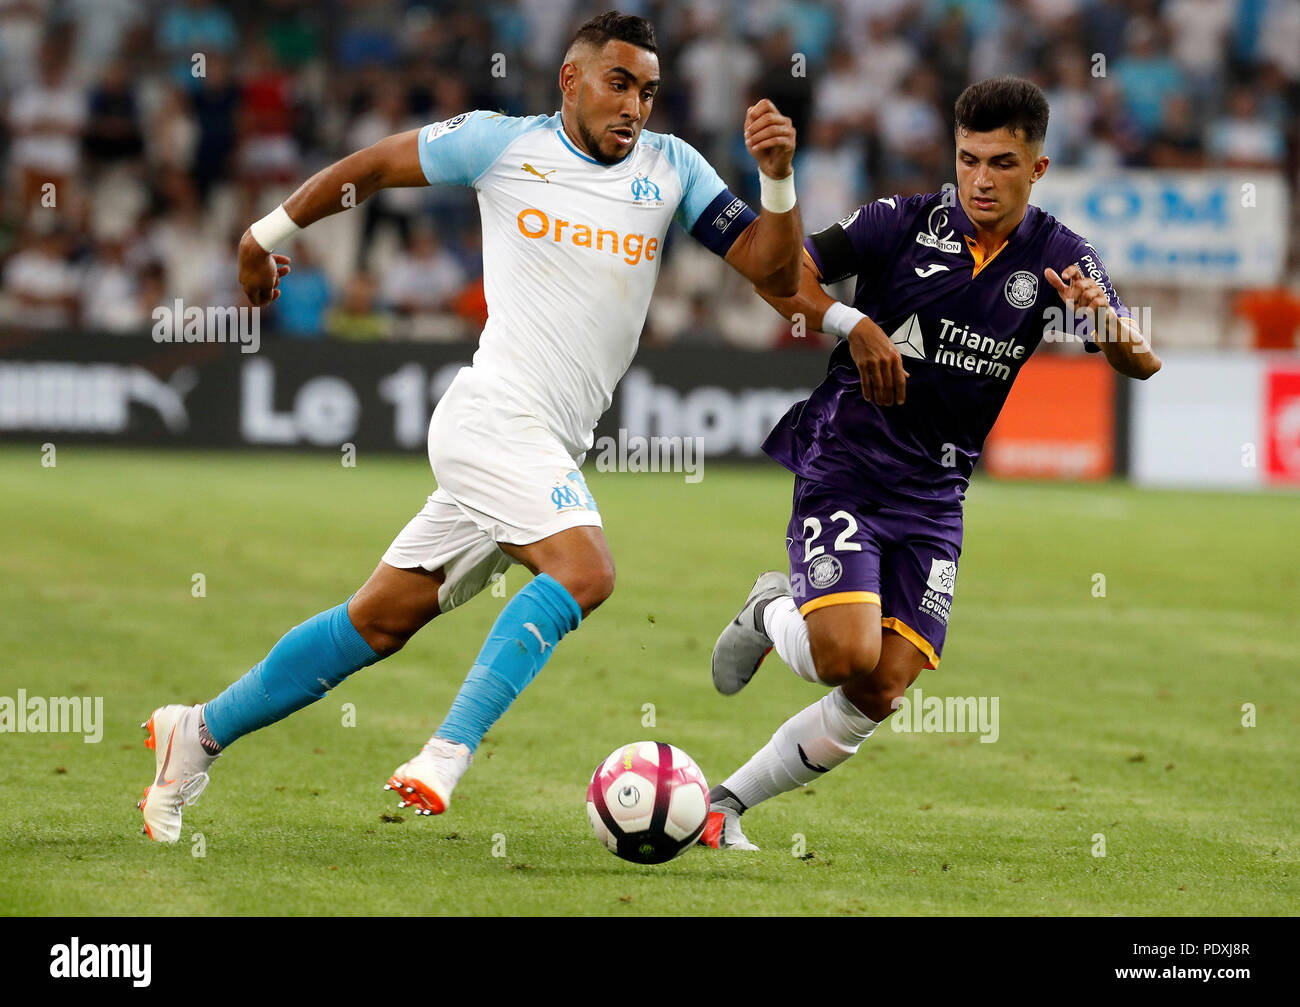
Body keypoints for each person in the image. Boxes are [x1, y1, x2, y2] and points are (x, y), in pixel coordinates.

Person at [136, 11, 803, 842]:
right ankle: (446, 751)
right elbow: (374, 166)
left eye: (649, 91)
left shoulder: (673, 168)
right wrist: (264, 235)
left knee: (377, 620)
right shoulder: (501, 144)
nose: (634, 105)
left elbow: (776, 271)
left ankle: (194, 733)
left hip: (544, 443)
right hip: (492, 418)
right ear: (571, 78)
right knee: (585, 570)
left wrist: (777, 180)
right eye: (618, 82)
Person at [701, 76, 1161, 851]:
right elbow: (780, 280)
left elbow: (1141, 362)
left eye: (1003, 164)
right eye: (968, 159)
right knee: (843, 652)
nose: (981, 179)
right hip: (847, 459)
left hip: (936, 493)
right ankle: (769, 610)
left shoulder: (1060, 257)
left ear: (1038, 170)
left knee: (880, 686)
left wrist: (1104, 321)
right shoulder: (897, 222)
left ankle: (725, 806)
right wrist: (851, 324)